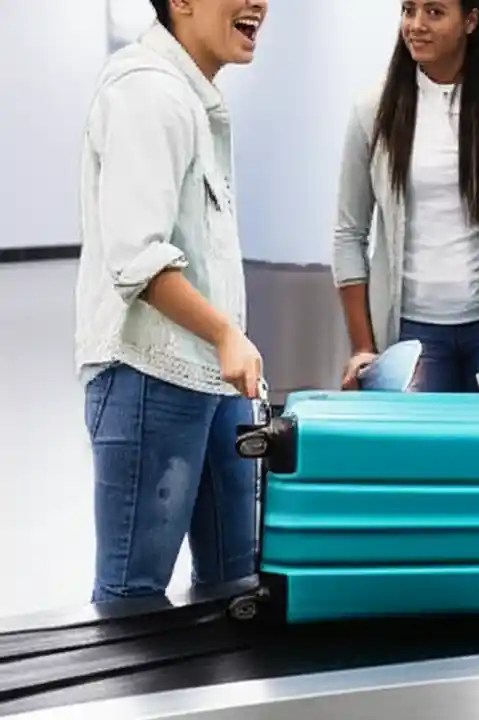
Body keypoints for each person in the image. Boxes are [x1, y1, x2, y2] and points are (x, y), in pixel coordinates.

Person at [75, 0, 269, 602]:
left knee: (235, 584)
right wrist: (224, 333)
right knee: (133, 597)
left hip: (213, 380)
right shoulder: (147, 93)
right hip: (148, 378)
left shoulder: (195, 99)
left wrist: (224, 343)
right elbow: (138, 257)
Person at [332, 0, 479, 393]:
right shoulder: (372, 110)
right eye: (408, 10)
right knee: (420, 455)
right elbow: (348, 235)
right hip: (410, 336)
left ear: (470, 20)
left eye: (434, 12)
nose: (415, 25)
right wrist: (364, 347)